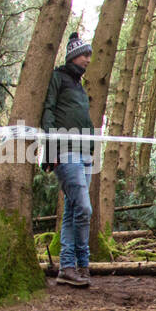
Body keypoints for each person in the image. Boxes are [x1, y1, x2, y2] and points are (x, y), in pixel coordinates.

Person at [42, 32, 95, 287]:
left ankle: (74, 267)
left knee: (74, 210)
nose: (88, 60)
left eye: (89, 56)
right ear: (73, 55)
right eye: (85, 55)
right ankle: (75, 264)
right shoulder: (58, 77)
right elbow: (48, 111)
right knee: (84, 208)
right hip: (66, 152)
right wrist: (51, 150)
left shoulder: (79, 86)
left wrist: (92, 146)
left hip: (85, 153)